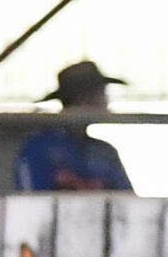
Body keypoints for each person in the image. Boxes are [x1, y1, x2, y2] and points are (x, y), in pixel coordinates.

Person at [13, 61, 133, 192]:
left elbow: (127, 199)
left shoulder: (105, 151)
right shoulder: (39, 148)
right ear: (85, 99)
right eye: (101, 95)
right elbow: (33, 201)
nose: (106, 102)